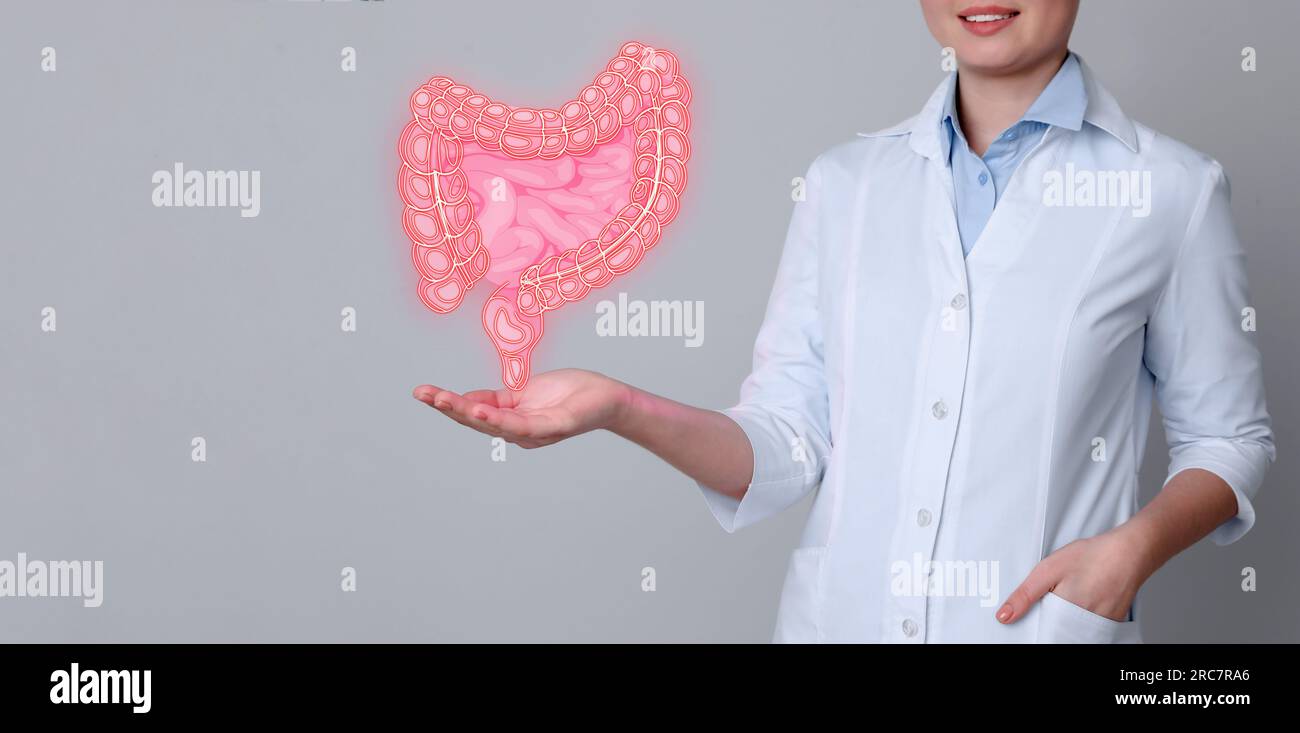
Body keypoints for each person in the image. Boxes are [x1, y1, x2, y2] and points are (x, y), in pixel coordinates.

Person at [412, 0, 1274, 642]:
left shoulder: (1170, 193)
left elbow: (1230, 439)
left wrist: (1129, 553)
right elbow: (789, 442)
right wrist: (619, 406)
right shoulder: (846, 184)